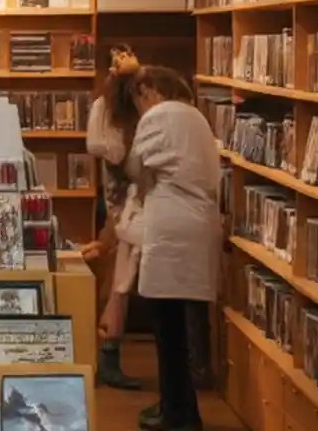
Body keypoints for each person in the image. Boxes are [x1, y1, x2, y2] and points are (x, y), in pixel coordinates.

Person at [127, 66, 221, 431]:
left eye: (138, 100)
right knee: (183, 327)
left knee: (167, 329)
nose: (139, 109)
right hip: (200, 226)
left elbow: (136, 167)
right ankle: (177, 405)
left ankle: (178, 413)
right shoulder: (197, 118)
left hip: (171, 229)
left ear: (148, 90)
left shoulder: (158, 116)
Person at [83, 45, 144, 389]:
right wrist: (123, 153)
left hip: (140, 196)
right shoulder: (103, 107)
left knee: (124, 277)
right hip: (121, 197)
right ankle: (107, 353)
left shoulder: (139, 106)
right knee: (117, 276)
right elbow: (98, 147)